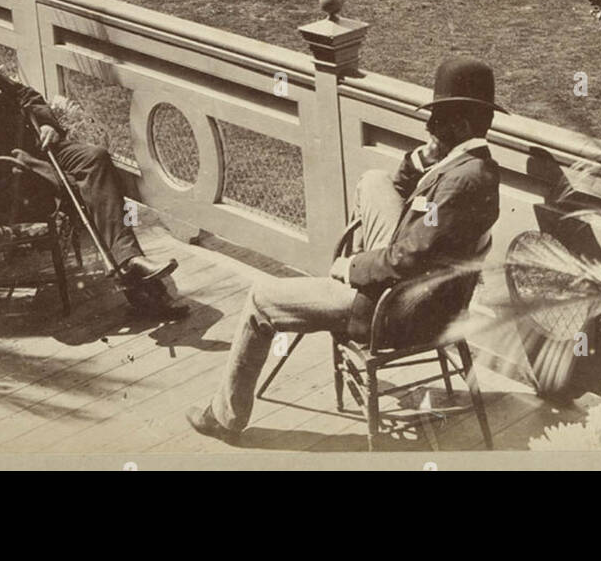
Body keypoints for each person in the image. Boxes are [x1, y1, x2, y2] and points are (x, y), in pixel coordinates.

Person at [186, 55, 503, 443]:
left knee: (259, 300)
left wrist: (352, 266)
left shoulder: (459, 184)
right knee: (373, 181)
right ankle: (345, 282)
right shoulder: (474, 166)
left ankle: (225, 417)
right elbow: (405, 199)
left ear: (461, 124)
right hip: (423, 288)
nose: (428, 127)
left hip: (398, 310)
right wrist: (421, 159)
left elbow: (408, 258)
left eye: (437, 121)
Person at [0, 0, 179, 307]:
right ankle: (138, 279)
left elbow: (21, 94)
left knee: (94, 158)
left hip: (33, 151)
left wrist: (46, 123)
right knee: (91, 190)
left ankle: (130, 266)